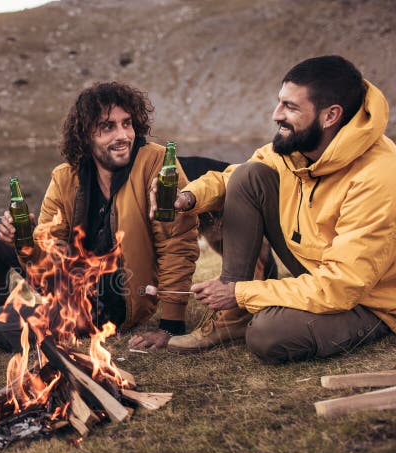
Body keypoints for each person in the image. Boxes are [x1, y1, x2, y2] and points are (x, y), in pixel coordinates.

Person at [161, 55, 396, 361]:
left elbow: (341, 287)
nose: (276, 115)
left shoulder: (378, 176)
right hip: (316, 268)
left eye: (291, 107)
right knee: (248, 175)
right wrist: (188, 197)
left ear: (330, 116)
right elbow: (233, 178)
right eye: (279, 102)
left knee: (267, 335)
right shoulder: (297, 148)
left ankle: (377, 325)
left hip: (367, 297)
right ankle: (232, 316)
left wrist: (240, 293)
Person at [0, 81, 200, 353]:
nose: (123, 135)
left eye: (127, 124)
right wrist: (26, 244)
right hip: (70, 280)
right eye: (108, 127)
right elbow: (47, 256)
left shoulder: (156, 162)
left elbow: (177, 244)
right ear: (86, 134)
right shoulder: (66, 176)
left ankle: (20, 317)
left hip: (115, 300)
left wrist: (170, 326)